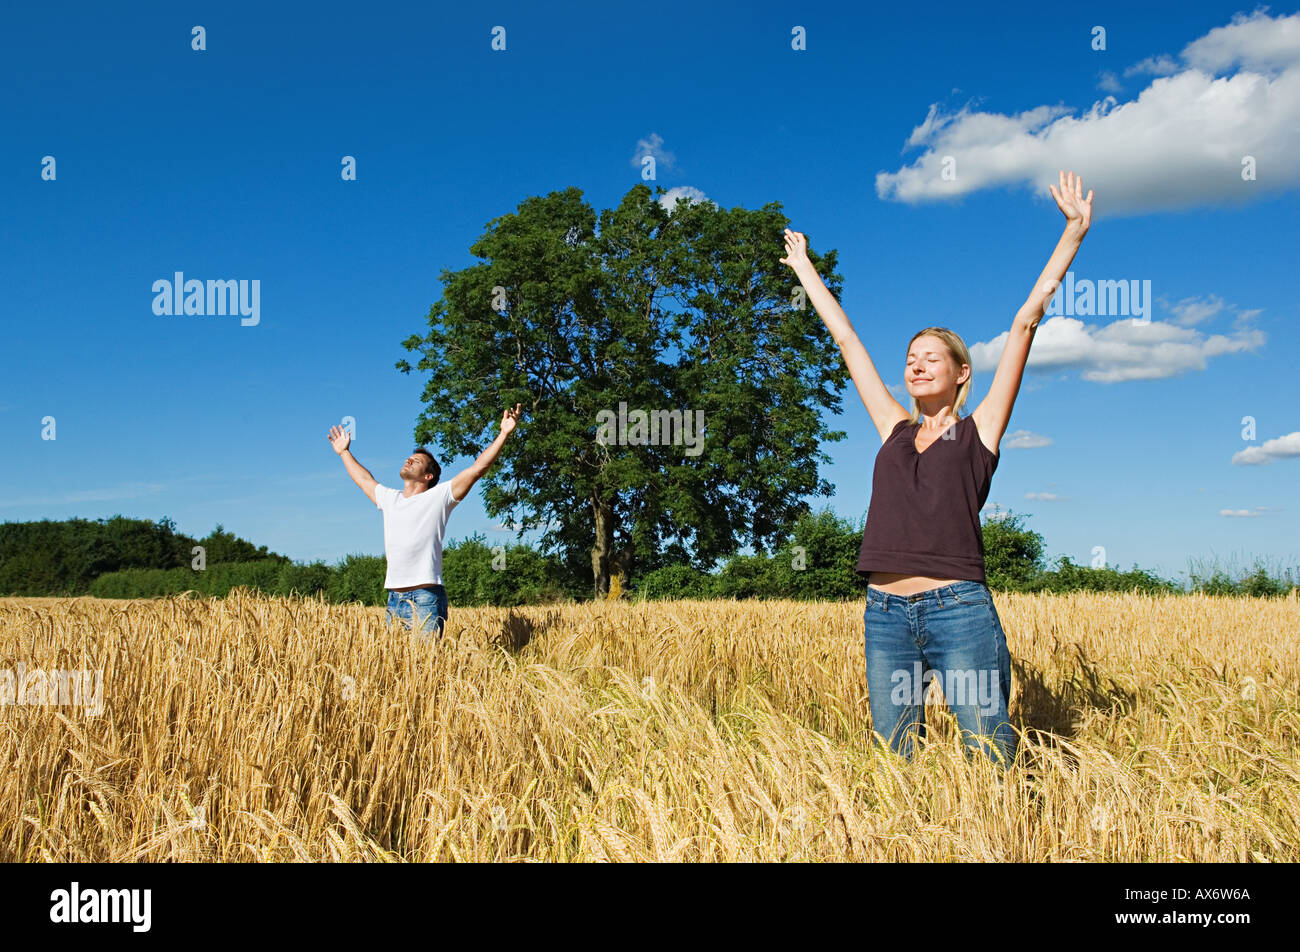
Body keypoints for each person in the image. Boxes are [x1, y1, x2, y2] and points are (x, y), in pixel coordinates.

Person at [780, 170, 1094, 766]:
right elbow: (848, 342)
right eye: (910, 359)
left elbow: (1026, 320)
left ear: (961, 373)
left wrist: (1073, 234)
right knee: (896, 762)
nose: (916, 366)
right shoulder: (893, 430)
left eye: (931, 358)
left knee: (989, 754)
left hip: (959, 611)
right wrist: (805, 273)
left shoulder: (981, 433)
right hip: (884, 615)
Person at [327, 405, 523, 637]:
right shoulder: (390, 499)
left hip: (425, 596)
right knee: (396, 668)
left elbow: (477, 470)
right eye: (409, 458)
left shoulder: (439, 497)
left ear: (427, 476)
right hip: (393, 597)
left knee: (426, 668)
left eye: (416, 461)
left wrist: (503, 434)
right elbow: (364, 479)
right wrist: (344, 453)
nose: (409, 461)